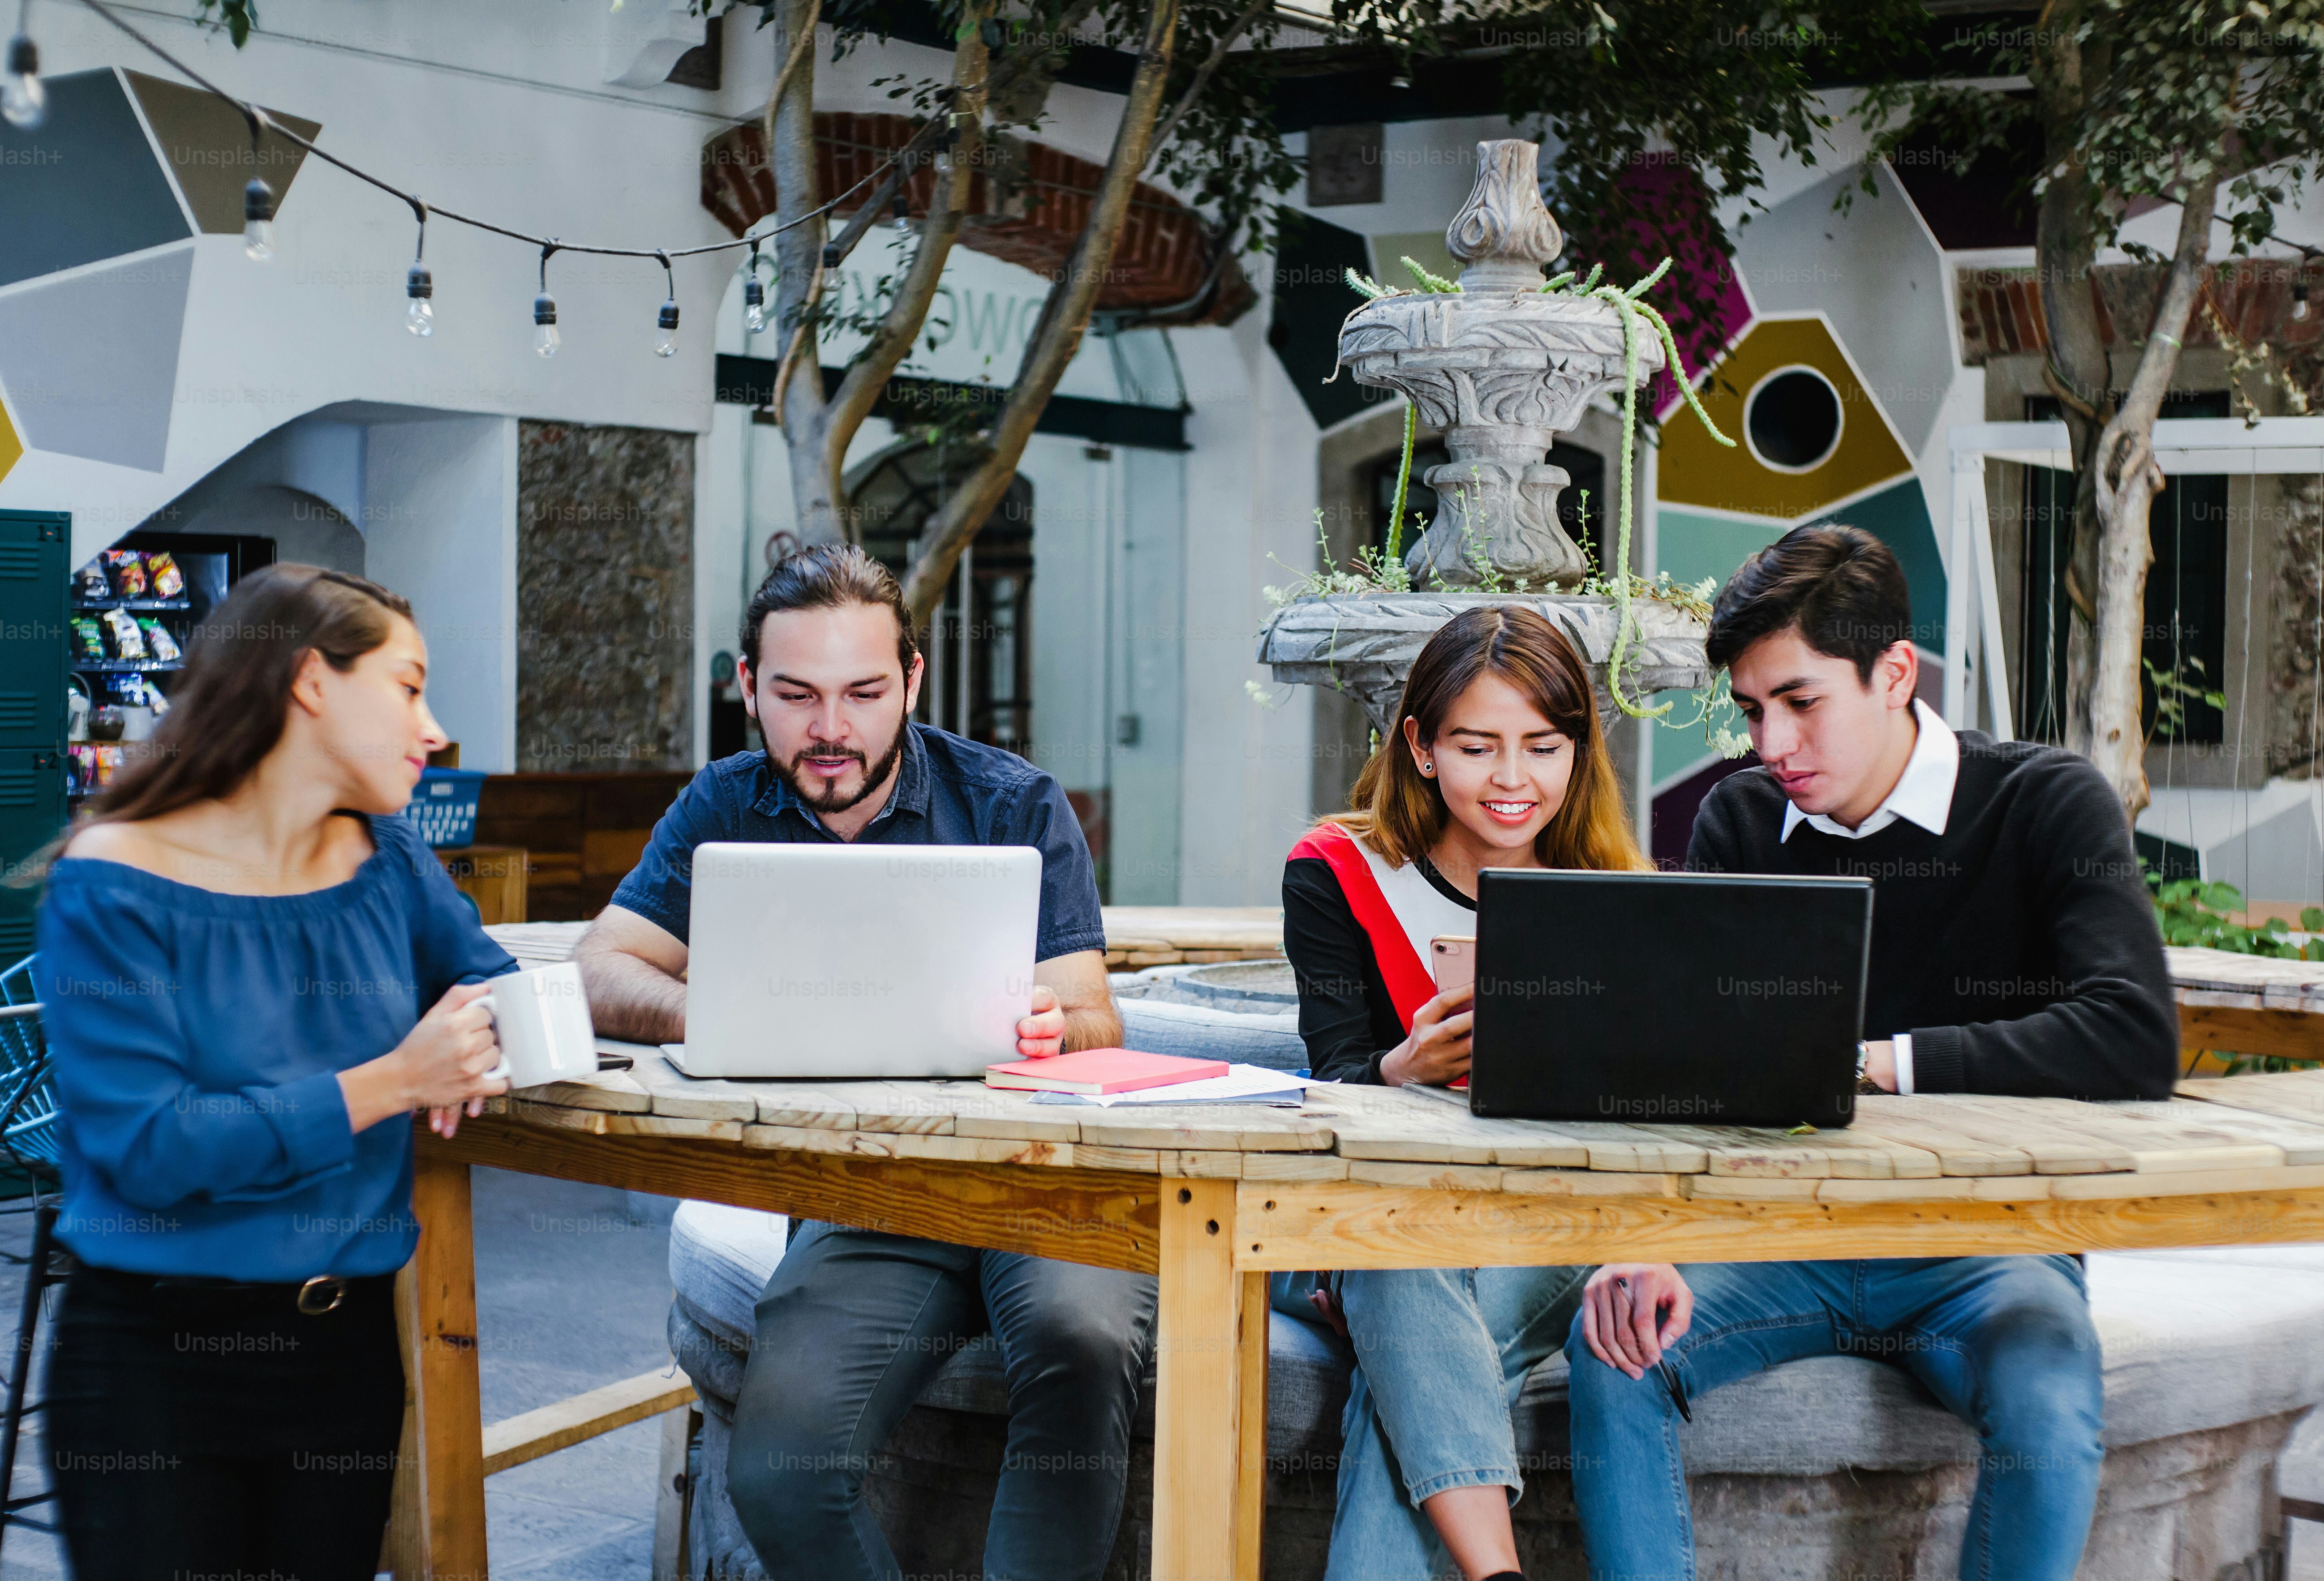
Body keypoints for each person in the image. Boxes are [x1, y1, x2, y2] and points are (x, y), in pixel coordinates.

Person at [1564, 523, 2178, 1580]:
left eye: (1799, 701)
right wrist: (1648, 1233)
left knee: (2047, 1387)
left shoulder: (2044, 801)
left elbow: (2129, 1032)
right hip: (1768, 1236)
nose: (1770, 742)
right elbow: (1685, 1067)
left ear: (1893, 673)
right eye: (1751, 710)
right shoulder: (1739, 820)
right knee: (1611, 1344)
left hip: (1985, 1244)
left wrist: (1866, 1062)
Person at [575, 542, 1144, 1581]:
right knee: (777, 1471)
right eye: (796, 694)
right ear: (748, 685)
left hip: (1047, 1186)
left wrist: (1049, 1024)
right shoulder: (725, 803)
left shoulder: (1012, 800)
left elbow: (1093, 1014)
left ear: (913, 680)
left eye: (864, 692)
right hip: (869, 1193)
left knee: (1083, 1339)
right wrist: (717, 1012)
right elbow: (599, 968)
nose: (830, 727)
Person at [36, 564, 514, 1581]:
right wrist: (397, 1080)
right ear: (309, 681)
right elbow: (153, 1148)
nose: (433, 730)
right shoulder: (113, 877)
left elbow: (492, 982)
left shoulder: (390, 860)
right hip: (151, 1367)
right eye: (408, 687)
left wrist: (479, 1035)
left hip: (344, 1352)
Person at [1280, 604, 1653, 1581]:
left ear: (1579, 750)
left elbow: (1654, 1108)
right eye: (1476, 746)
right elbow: (1330, 1078)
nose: (1511, 779)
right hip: (1373, 1210)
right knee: (1397, 1261)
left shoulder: (1617, 891)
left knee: (1397, 1315)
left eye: (1543, 747)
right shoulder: (1337, 873)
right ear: (1419, 745)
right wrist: (1401, 1068)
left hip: (1545, 1224)